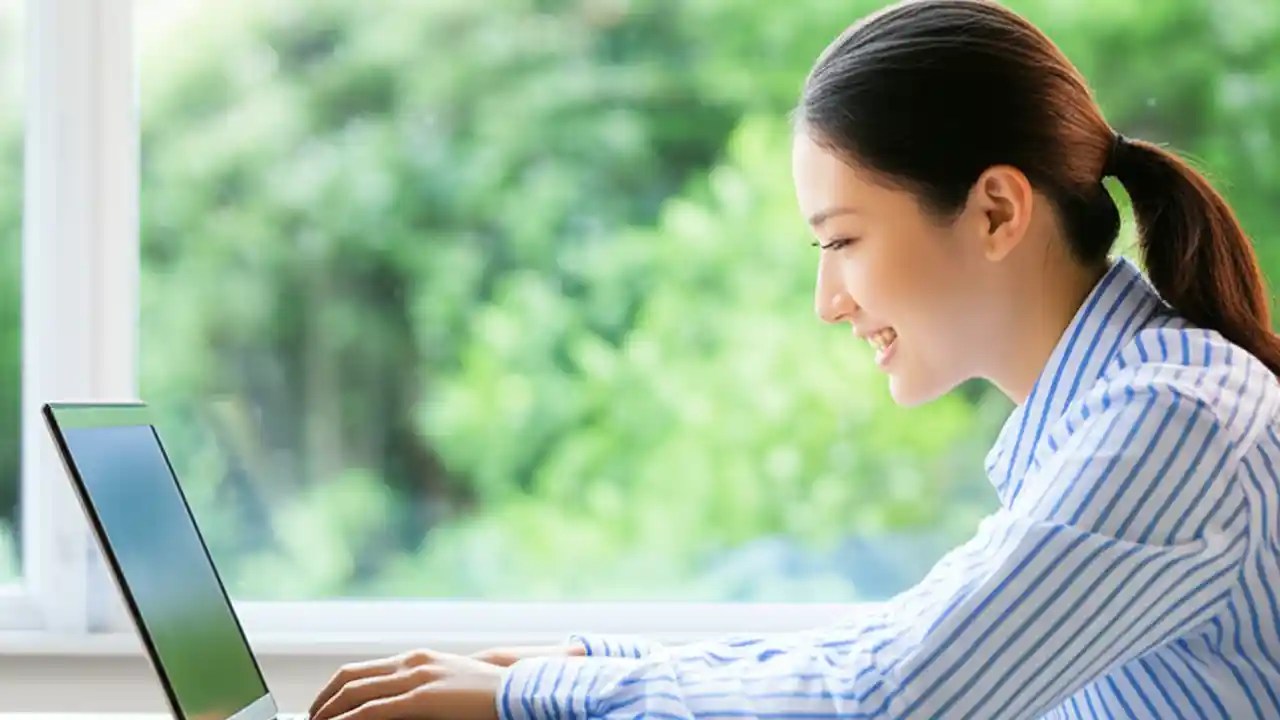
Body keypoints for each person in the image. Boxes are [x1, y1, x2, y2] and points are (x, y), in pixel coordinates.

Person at [306, 0, 1280, 717]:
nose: (827, 301)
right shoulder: (1121, 415)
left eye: (843, 240)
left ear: (994, 211)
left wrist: (544, 696)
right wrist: (567, 664)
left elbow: (893, 696)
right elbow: (890, 644)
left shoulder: (1173, 421)